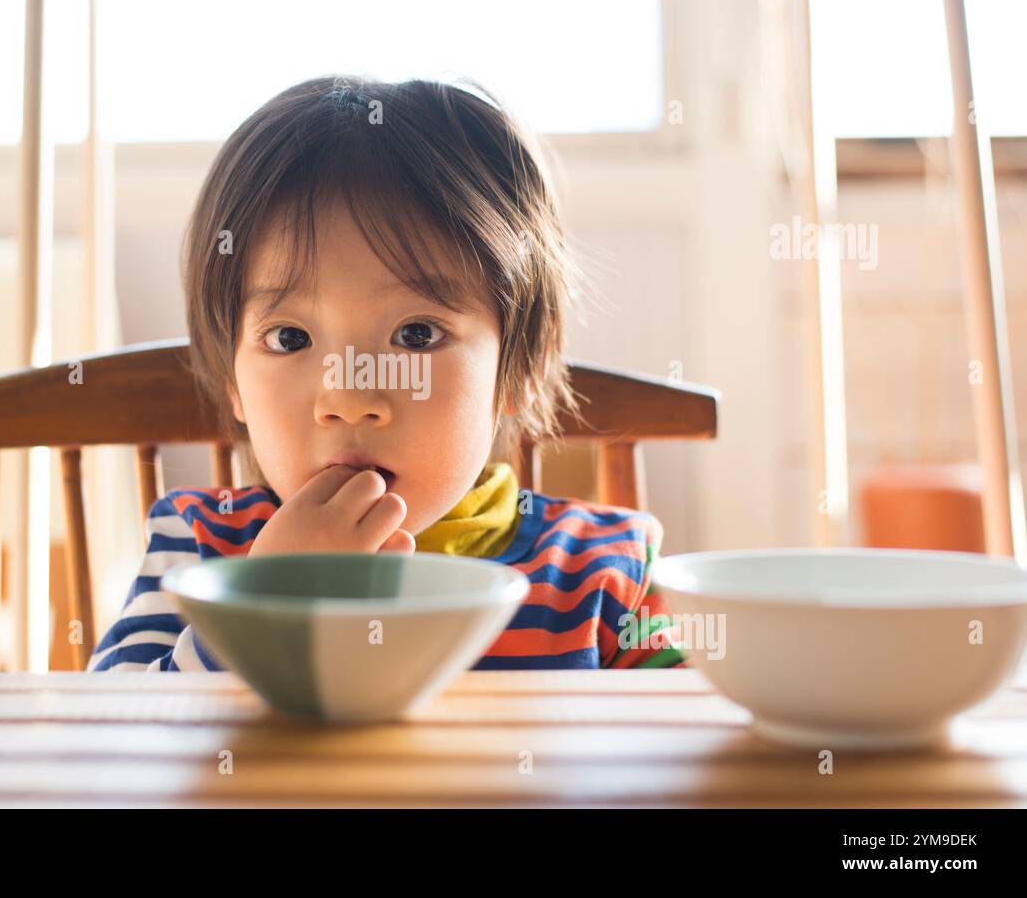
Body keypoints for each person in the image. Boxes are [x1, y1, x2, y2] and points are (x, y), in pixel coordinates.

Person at [88, 75, 686, 673]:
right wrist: (256, 612)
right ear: (231, 382)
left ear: (520, 368)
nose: (348, 396)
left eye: (417, 336)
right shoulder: (197, 548)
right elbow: (118, 743)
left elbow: (696, 752)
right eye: (289, 338)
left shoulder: (606, 572)